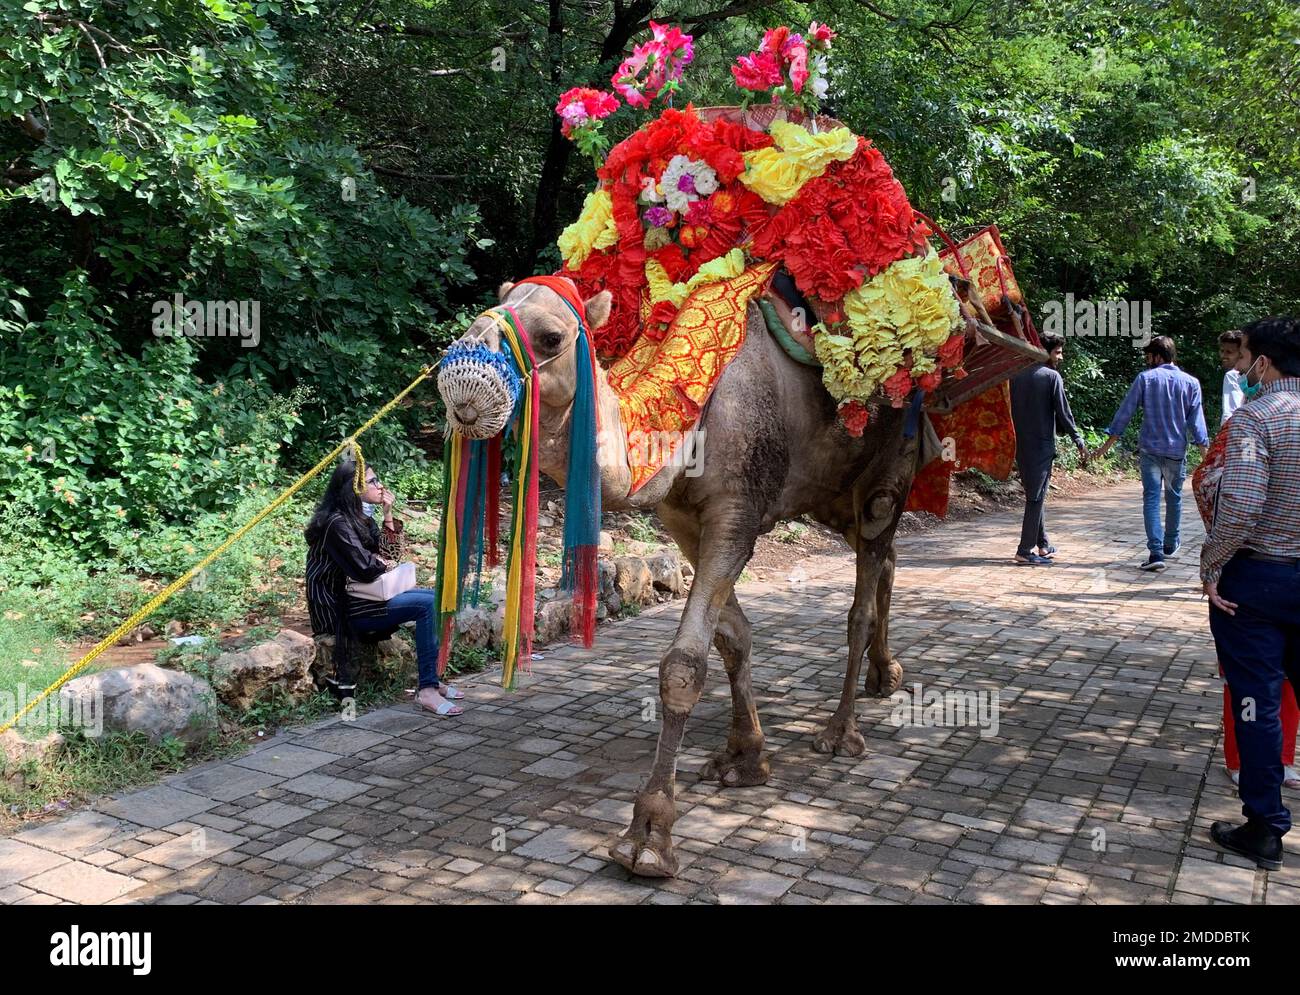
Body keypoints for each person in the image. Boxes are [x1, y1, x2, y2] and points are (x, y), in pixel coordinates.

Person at [1200, 316, 1300, 869]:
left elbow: (1239, 506)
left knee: (1257, 702)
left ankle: (1264, 829)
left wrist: (1210, 564)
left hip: (1257, 581)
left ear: (1261, 362)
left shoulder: (1257, 418)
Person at [305, 459, 464, 716]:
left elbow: (391, 555)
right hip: (342, 609)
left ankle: (432, 679)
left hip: (365, 596)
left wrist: (388, 514)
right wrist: (384, 563)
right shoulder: (337, 524)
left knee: (438, 597)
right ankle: (427, 690)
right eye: (372, 481)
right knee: (426, 606)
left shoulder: (359, 517)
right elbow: (366, 568)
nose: (380, 486)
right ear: (353, 488)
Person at [1091, 335, 1209, 571]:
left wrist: (1106, 446)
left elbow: (1125, 413)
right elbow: (1197, 423)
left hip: (1150, 451)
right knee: (1174, 498)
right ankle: (1170, 541)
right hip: (1176, 451)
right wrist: (1206, 457)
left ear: (1157, 356)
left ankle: (1156, 552)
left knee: (1152, 500)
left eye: (1148, 357)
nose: (1147, 362)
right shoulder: (1191, 383)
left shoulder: (1145, 379)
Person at [1008, 333, 1087, 565]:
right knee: (1035, 497)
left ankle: (1042, 544)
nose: (1060, 357)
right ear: (1044, 351)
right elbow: (1065, 413)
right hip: (1041, 446)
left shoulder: (1014, 375)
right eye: (1057, 352)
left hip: (1020, 445)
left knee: (1036, 494)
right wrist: (1079, 441)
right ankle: (1024, 550)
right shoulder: (1051, 377)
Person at [1219, 329, 1246, 427]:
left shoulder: (1232, 375)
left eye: (1229, 352)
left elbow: (1231, 410)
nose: (1223, 356)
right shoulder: (1253, 374)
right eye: (1222, 351)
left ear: (1241, 353)